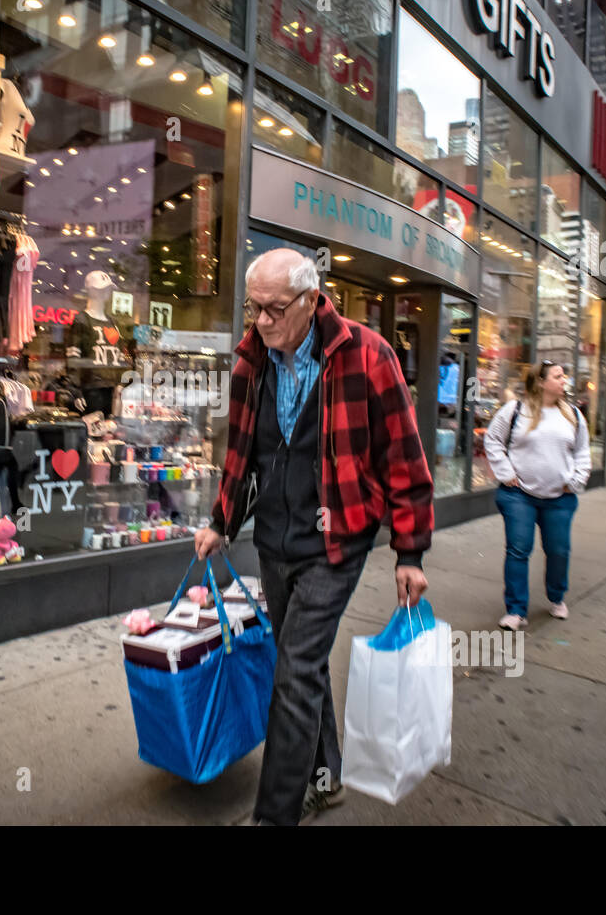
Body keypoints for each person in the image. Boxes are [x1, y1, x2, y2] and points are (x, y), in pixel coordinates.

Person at [194, 247, 433, 827]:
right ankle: (325, 777)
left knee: (294, 673)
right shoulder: (252, 360)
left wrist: (410, 552)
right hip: (275, 540)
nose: (262, 321)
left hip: (338, 541)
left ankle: (273, 816)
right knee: (302, 662)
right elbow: (241, 454)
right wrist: (221, 522)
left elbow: (404, 456)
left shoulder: (368, 356)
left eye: (275, 309)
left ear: (309, 299)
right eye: (254, 308)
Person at [483, 360, 591, 631]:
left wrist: (577, 480)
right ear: (541, 382)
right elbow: (493, 439)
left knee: (558, 551)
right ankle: (516, 610)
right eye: (557, 376)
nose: (563, 379)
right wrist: (505, 472)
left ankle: (556, 597)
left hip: (559, 499)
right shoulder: (515, 410)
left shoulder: (573, 415)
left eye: (563, 375)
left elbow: (582, 451)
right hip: (519, 496)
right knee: (518, 550)